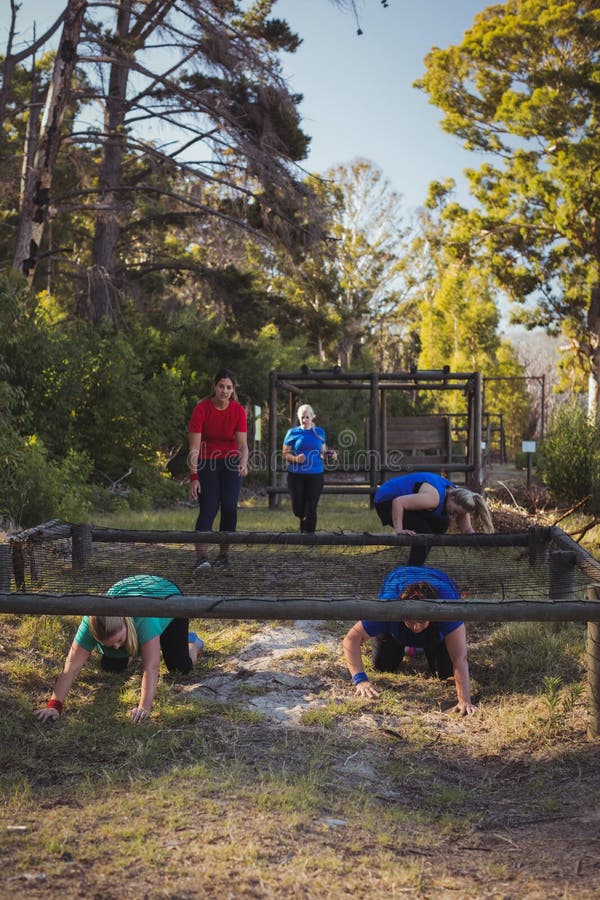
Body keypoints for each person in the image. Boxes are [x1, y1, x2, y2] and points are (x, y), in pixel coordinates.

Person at [34, 575, 204, 725]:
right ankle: (142, 644)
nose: (116, 647)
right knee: (113, 666)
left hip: (168, 598)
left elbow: (151, 668)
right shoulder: (90, 622)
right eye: (109, 644)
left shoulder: (145, 620)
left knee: (180, 668)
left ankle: (192, 642)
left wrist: (143, 708)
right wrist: (54, 705)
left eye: (119, 640)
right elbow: (72, 665)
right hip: (134, 593)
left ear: (126, 623)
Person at [342, 565, 476, 716]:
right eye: (411, 622)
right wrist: (360, 680)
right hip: (395, 625)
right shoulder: (388, 607)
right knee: (383, 665)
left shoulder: (447, 609)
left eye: (421, 622)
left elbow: (460, 658)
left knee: (445, 672)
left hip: (435, 628)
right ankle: (406, 644)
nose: (416, 627)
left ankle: (422, 646)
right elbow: (351, 639)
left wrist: (464, 700)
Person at [188, 368, 249, 573]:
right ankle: (202, 558)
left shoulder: (238, 411)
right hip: (207, 461)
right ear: (215, 387)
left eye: (229, 387)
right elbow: (194, 448)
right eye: (221, 386)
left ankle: (224, 555)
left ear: (233, 390)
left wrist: (244, 462)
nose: (224, 390)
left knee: (230, 507)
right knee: (209, 506)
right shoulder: (202, 409)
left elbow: (242, 445)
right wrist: (194, 476)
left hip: (231, 462)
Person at [374, 471, 494, 565]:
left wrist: (478, 542)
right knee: (424, 532)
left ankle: (415, 559)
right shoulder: (433, 498)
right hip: (386, 501)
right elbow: (398, 502)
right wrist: (399, 529)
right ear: (452, 498)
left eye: (459, 514)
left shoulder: (457, 495)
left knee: (443, 522)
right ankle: (413, 568)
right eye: (455, 512)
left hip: (404, 502)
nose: (455, 516)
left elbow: (467, 530)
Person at [282, 403, 335, 533]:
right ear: (298, 418)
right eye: (302, 417)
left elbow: (323, 452)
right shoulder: (292, 433)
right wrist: (295, 459)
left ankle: (309, 538)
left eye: (307, 417)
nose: (304, 420)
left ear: (312, 417)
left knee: (311, 507)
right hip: (296, 475)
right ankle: (302, 522)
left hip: (315, 474)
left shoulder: (319, 433)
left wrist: (331, 454)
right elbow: (284, 454)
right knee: (298, 508)